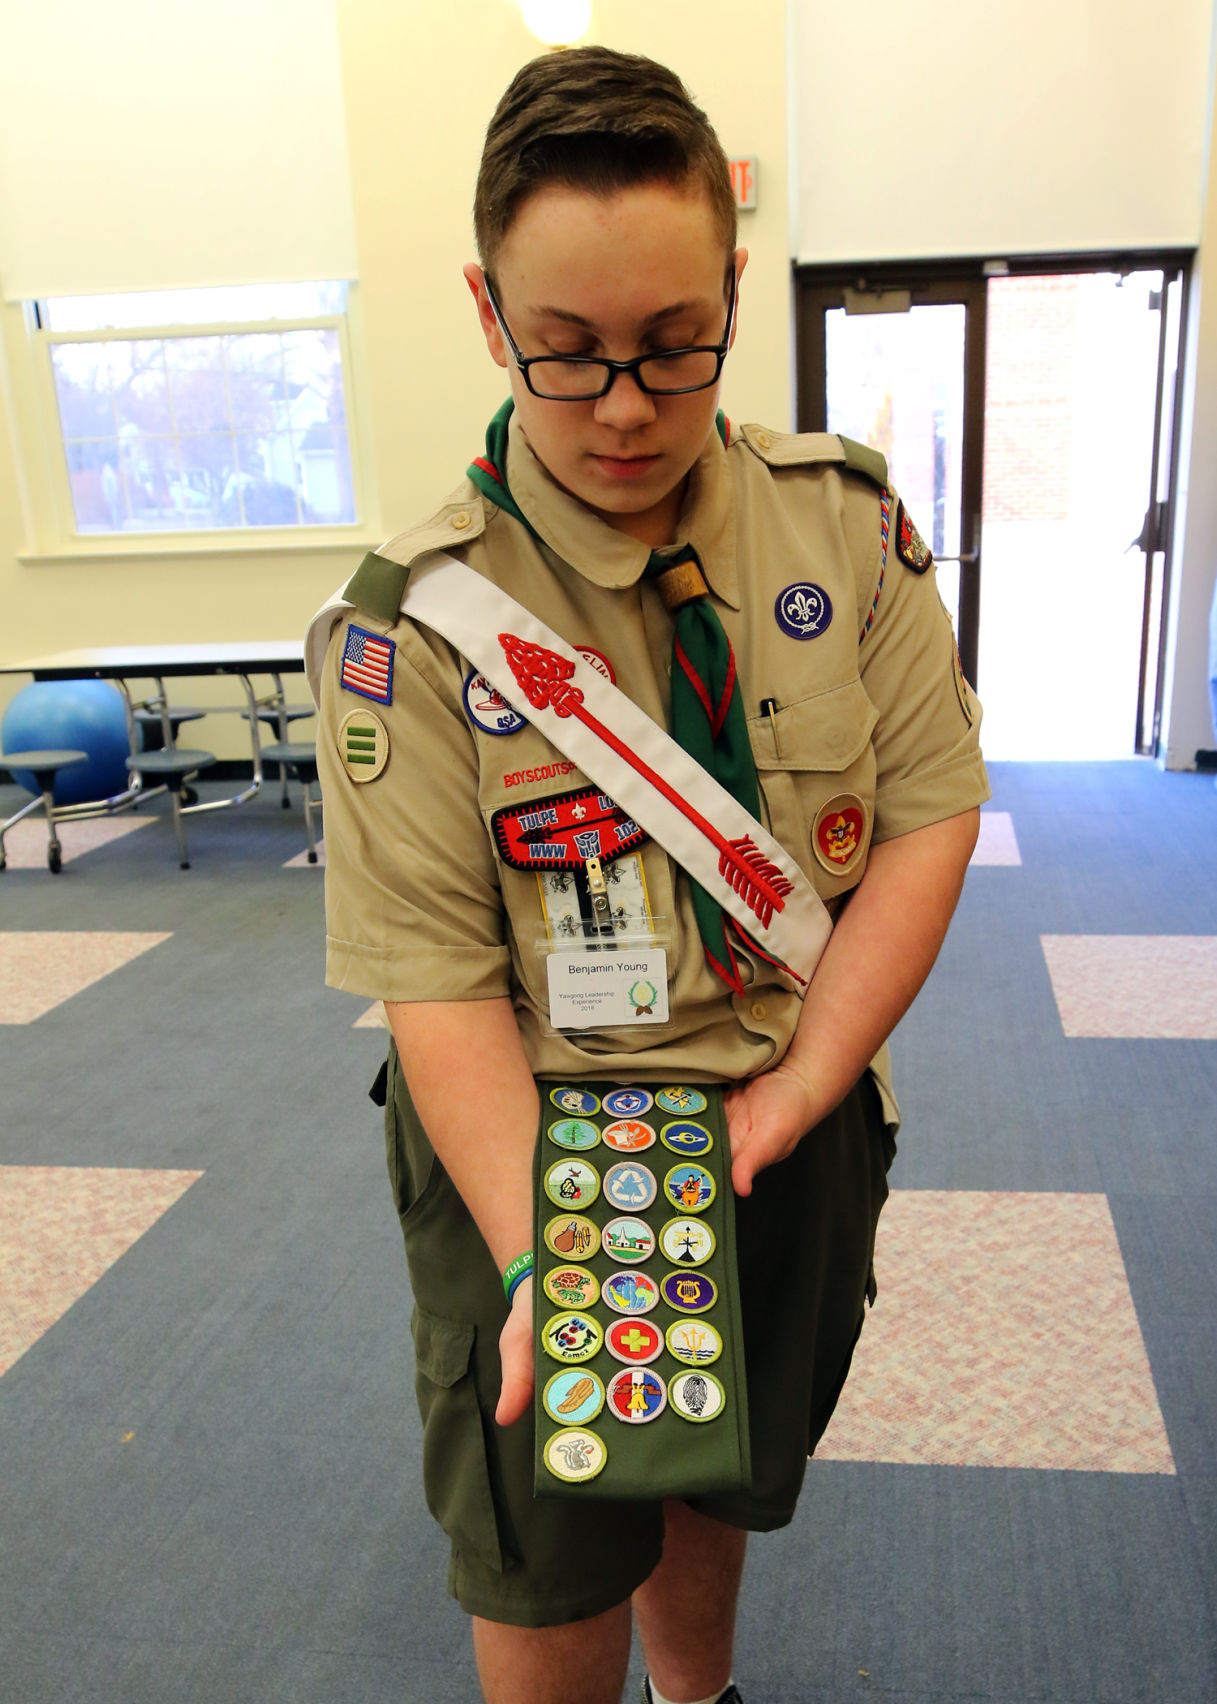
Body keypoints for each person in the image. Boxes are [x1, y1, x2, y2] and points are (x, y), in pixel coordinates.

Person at [306, 44, 988, 1704]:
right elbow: (438, 983)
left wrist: (808, 1083)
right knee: (542, 1555)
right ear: (488, 316)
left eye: (676, 348)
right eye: (569, 356)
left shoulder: (843, 530)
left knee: (716, 1459)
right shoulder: (410, 633)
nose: (624, 406)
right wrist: (551, 1254)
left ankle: (700, 1697)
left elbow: (926, 816)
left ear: (735, 292)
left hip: (785, 1099)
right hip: (530, 1132)